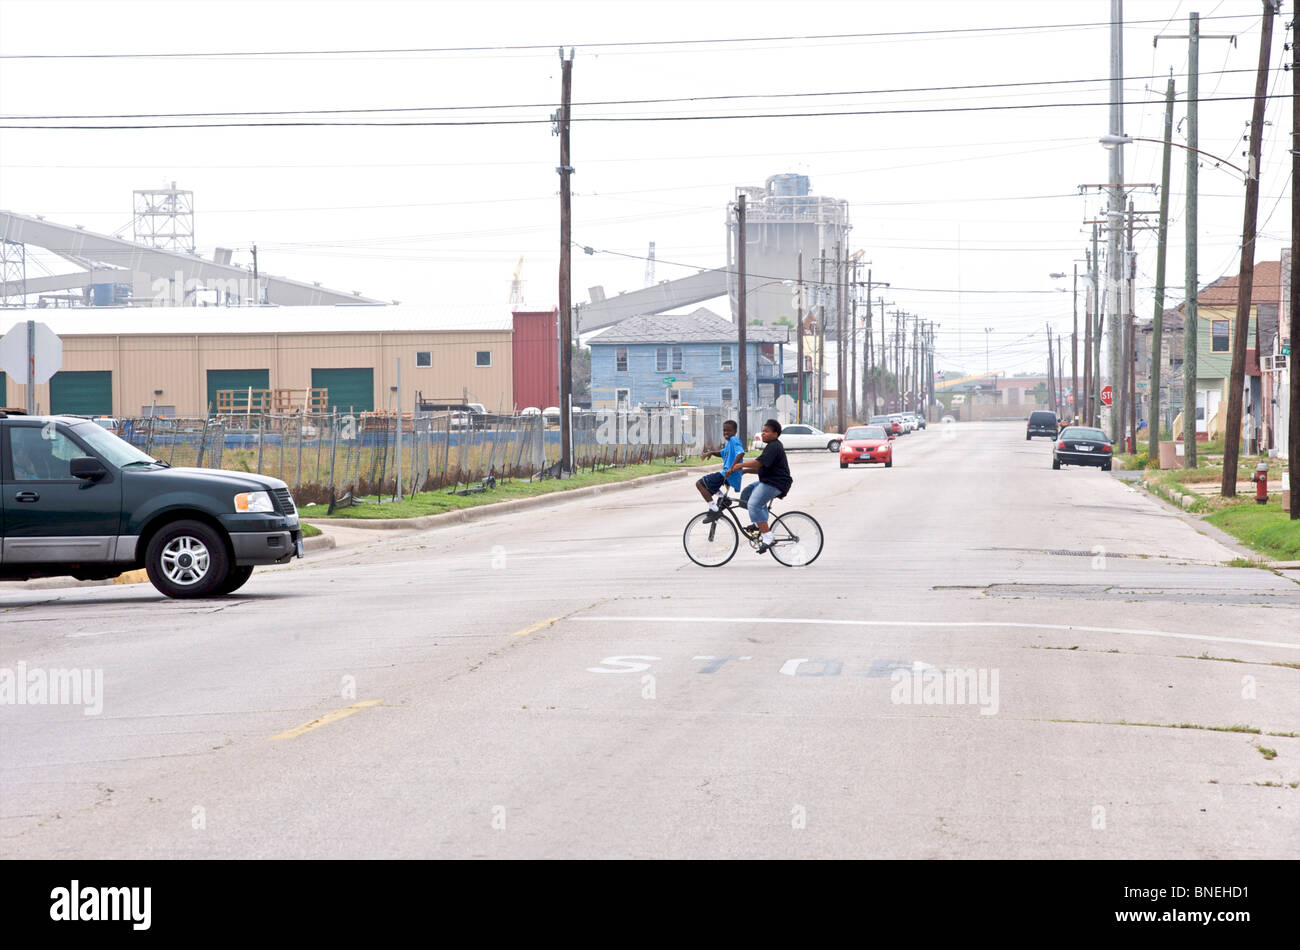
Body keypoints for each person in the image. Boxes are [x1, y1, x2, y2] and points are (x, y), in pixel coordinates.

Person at [726, 418, 793, 554]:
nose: (763, 433)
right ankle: (758, 524)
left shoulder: (774, 446)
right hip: (768, 480)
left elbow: (758, 463)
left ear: (776, 434)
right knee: (746, 495)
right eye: (762, 431)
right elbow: (762, 468)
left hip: (776, 483)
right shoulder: (770, 446)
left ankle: (768, 536)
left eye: (767, 431)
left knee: (754, 504)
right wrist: (744, 471)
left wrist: (740, 465)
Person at [697, 419, 744, 522]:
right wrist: (711, 453)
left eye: (729, 430)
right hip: (727, 475)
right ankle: (723, 498)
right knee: (709, 486)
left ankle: (714, 509)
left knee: (700, 484)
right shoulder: (729, 444)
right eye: (724, 430)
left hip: (728, 474)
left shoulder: (734, 440)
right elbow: (722, 453)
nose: (726, 433)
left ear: (735, 431)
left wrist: (732, 468)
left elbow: (741, 453)